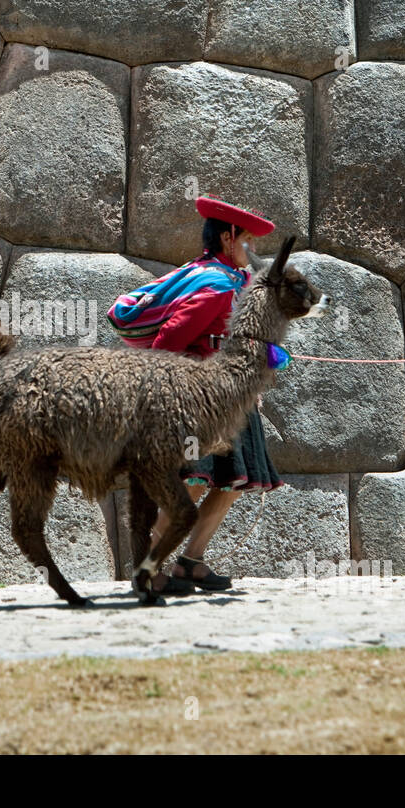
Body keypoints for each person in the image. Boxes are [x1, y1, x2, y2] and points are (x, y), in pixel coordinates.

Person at [135, 196, 285, 596]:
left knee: (230, 482)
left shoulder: (234, 283)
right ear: (227, 236)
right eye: (249, 241)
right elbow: (168, 342)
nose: (254, 251)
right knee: (195, 482)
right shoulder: (215, 285)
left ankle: (192, 561)